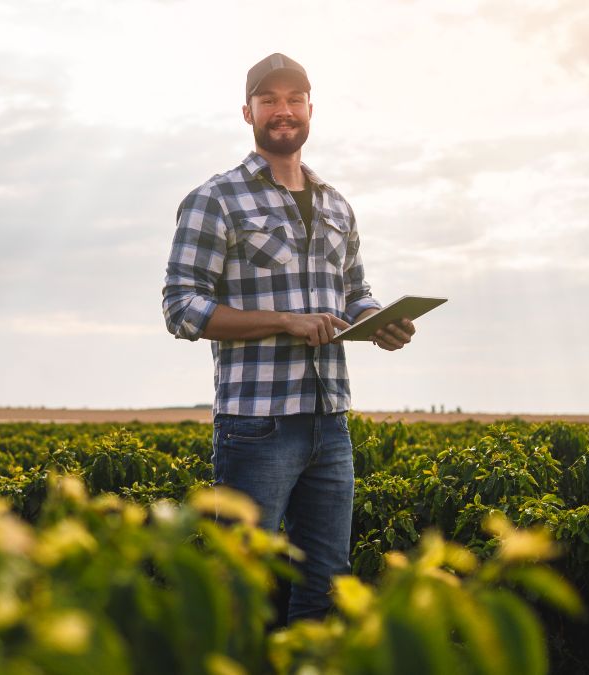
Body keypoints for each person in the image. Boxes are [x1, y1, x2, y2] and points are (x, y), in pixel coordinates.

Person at [161, 53, 417, 624]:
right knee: (242, 589)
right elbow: (182, 308)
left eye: (294, 99)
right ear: (247, 111)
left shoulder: (336, 204)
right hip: (257, 424)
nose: (283, 110)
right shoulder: (215, 199)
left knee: (326, 588)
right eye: (269, 99)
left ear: (310, 110)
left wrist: (380, 321)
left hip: (331, 421)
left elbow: (354, 291)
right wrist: (284, 320)